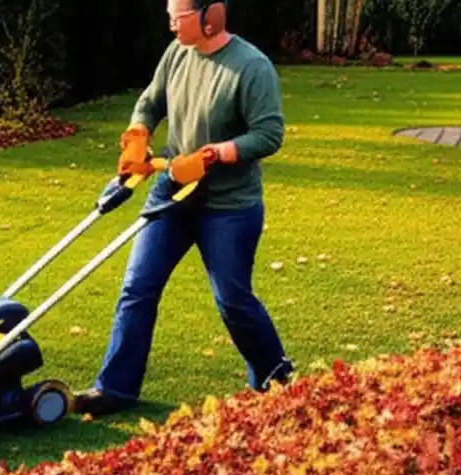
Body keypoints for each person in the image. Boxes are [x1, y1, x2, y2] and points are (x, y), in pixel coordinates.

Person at [72, 0, 294, 417]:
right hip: (171, 192)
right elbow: (151, 101)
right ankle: (115, 389)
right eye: (169, 14)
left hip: (228, 206)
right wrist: (138, 133)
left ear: (211, 17)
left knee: (232, 298)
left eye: (179, 16)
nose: (171, 24)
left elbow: (269, 133)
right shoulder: (177, 53)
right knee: (138, 287)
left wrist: (215, 154)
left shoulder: (251, 67)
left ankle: (275, 377)